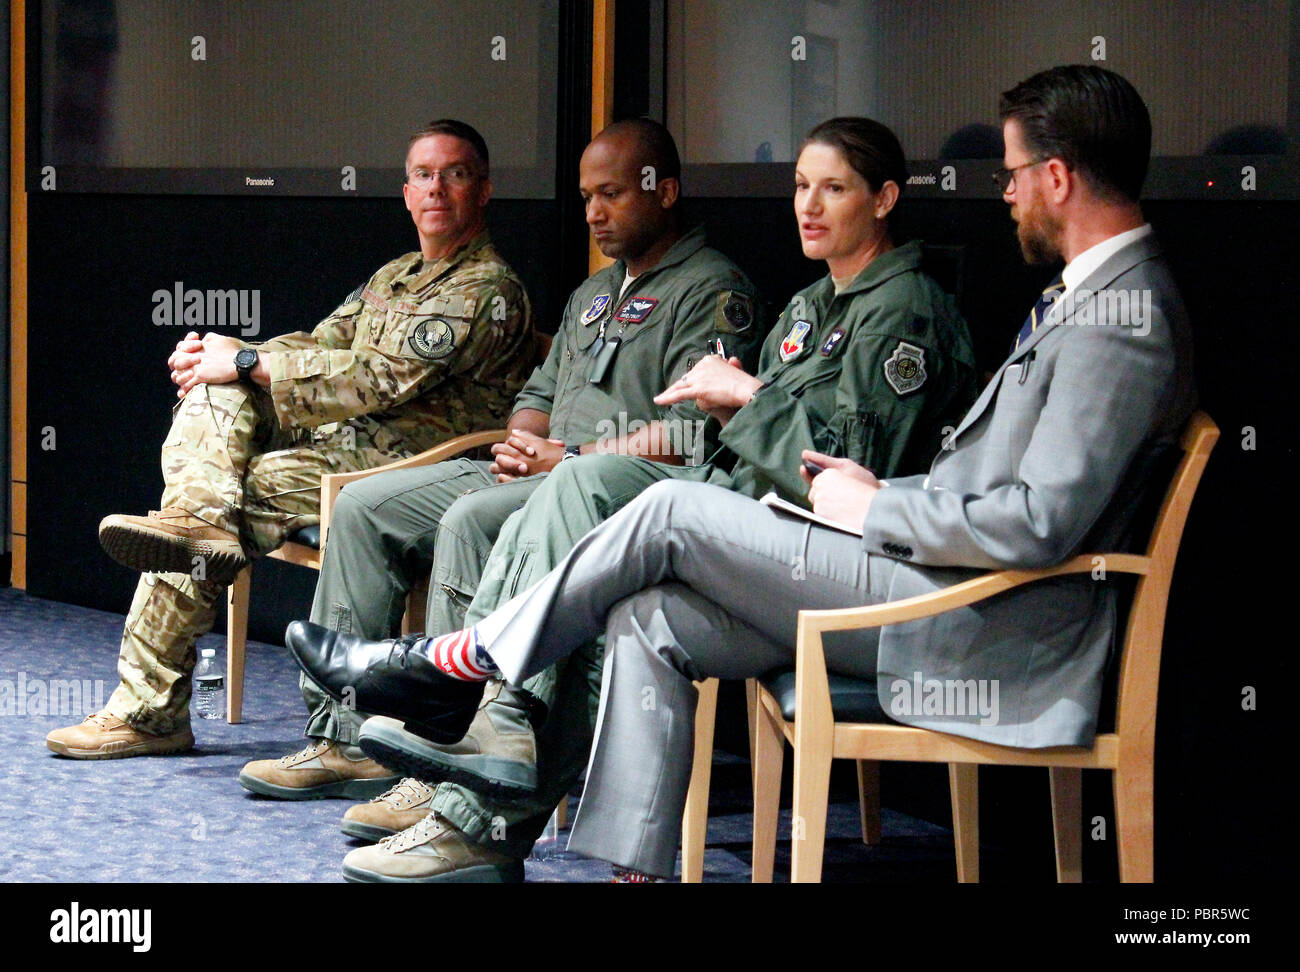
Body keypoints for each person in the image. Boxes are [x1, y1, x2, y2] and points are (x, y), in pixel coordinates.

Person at [290, 64, 1197, 881]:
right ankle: (601, 859)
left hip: (976, 618)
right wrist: (885, 494)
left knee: (670, 514)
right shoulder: (1092, 298)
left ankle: (462, 665)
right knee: (647, 616)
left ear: (1058, 176)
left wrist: (874, 507)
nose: (1003, 195)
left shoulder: (1121, 315)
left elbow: (1037, 525)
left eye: (1010, 174)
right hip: (937, 570)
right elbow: (994, 491)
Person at [321, 117, 980, 882]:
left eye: (833, 188)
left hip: (837, 566)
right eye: (802, 185)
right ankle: (503, 809)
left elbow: (855, 479)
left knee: (587, 486)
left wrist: (746, 400)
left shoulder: (905, 309)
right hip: (751, 530)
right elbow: (723, 441)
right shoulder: (807, 308)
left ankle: (477, 716)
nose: (809, 204)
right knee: (621, 614)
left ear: (886, 198)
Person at [237, 118, 764, 806]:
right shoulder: (594, 292)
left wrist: (565, 455)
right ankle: (344, 736)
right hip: (536, 469)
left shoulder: (712, 290)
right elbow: (537, 394)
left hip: (623, 490)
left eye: (611, 194)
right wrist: (522, 443)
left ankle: (447, 751)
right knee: (364, 508)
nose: (594, 213)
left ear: (663, 192)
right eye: (584, 197)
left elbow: (698, 434)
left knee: (469, 517)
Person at [46, 119, 535, 760]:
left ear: (484, 190)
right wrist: (225, 359)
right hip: (342, 443)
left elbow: (375, 379)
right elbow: (320, 344)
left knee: (244, 487)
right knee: (217, 397)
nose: (437, 188)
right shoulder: (395, 276)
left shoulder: (489, 288)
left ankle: (149, 708)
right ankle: (199, 523)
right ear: (406, 191)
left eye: (456, 174)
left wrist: (246, 358)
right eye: (423, 174)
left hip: (413, 467)